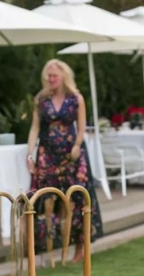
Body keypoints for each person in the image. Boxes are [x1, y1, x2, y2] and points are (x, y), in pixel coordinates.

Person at [26, 59, 103, 261]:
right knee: (46, 198)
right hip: (48, 154)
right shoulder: (41, 100)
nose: (50, 79)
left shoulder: (76, 99)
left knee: (77, 199)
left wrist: (77, 145)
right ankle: (47, 246)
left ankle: (80, 247)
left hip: (72, 156)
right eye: (48, 76)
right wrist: (29, 153)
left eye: (54, 76)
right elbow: (35, 128)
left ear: (63, 77)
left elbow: (81, 126)